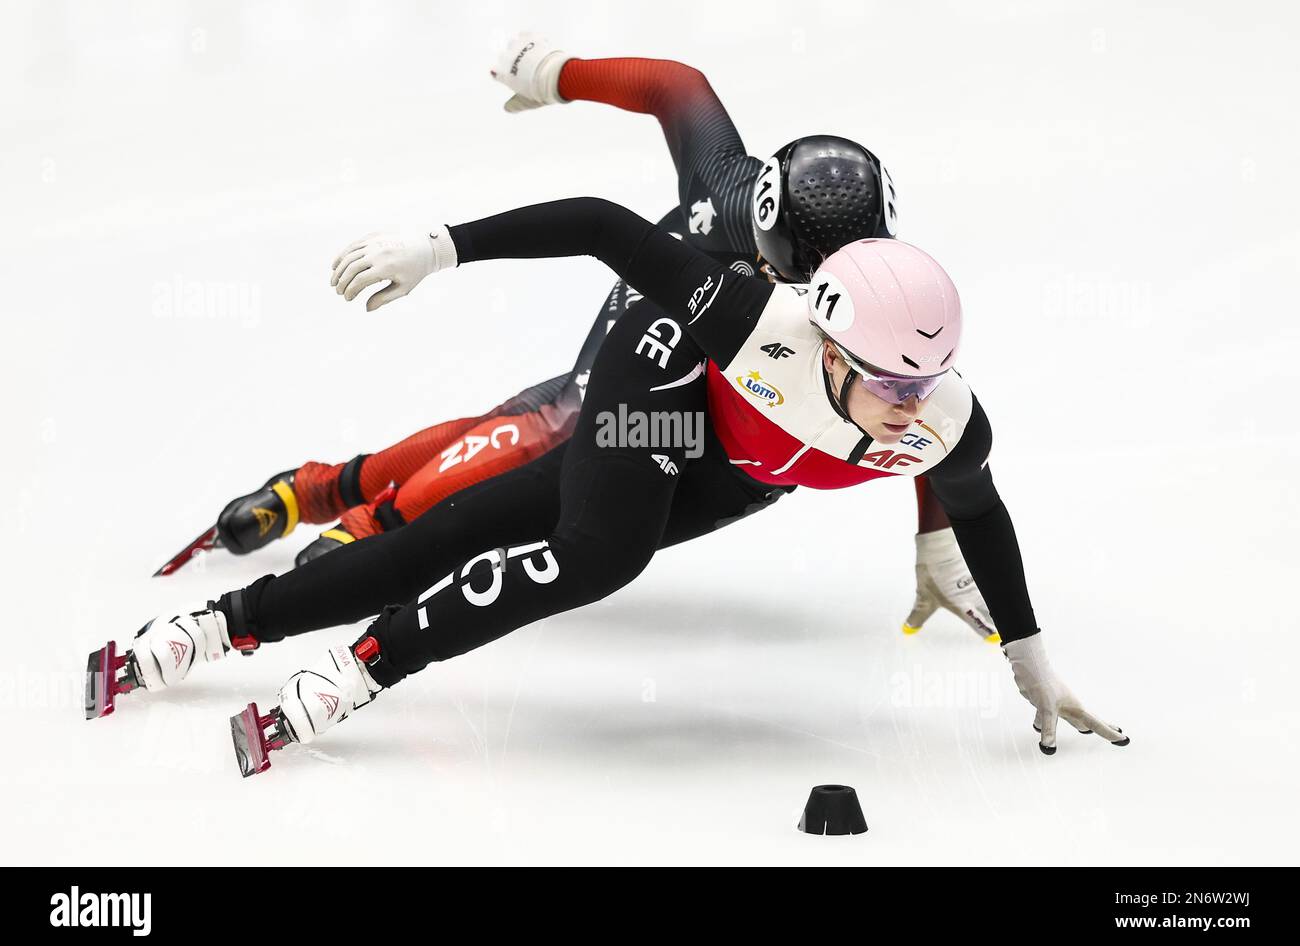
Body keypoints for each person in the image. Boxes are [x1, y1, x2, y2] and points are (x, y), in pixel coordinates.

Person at [90, 197, 1127, 773]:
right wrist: (443, 246)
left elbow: (983, 512)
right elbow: (601, 223)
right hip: (661, 387)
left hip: (735, 467)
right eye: (890, 379)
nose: (910, 403)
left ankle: (224, 622)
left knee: (488, 519)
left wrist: (1028, 657)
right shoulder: (746, 321)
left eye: (926, 378)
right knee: (598, 550)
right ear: (828, 344)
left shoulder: (946, 416)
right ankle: (366, 663)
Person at [175, 35, 991, 641]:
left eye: (828, 293)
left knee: (607, 444)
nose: (808, 301)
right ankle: (347, 502)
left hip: (753, 380)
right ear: (761, 237)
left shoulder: (876, 297)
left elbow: (910, 388)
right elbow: (679, 90)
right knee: (566, 417)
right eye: (792, 279)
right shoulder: (729, 196)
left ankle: (349, 502)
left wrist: (937, 534)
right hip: (679, 304)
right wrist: (554, 76)